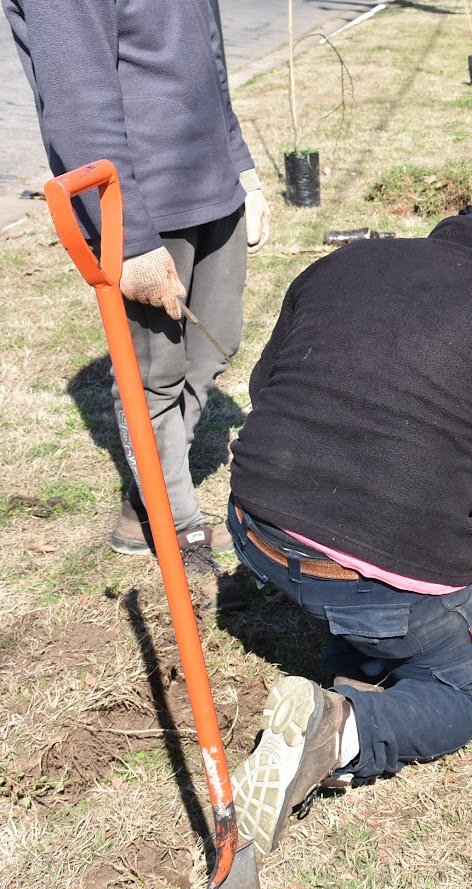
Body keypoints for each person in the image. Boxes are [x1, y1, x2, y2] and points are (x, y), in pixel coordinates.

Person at [226, 193, 472, 855]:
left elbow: (265, 385)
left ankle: (357, 651)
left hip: (255, 523)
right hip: (374, 569)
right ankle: (337, 732)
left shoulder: (344, 263)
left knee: (460, 554)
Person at [4, 0, 271, 563]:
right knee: (154, 377)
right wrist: (128, 239)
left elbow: (209, 61)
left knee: (214, 349)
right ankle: (178, 526)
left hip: (213, 185)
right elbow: (78, 105)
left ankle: (145, 498)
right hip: (144, 203)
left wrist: (242, 169)